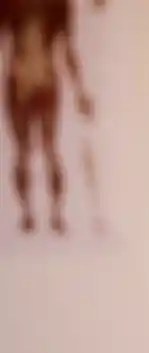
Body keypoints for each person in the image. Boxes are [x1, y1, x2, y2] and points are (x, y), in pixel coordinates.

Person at [2, 0, 94, 235]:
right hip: (27, 80)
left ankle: (46, 212)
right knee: (28, 150)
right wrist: (79, 90)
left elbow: (67, 47)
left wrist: (80, 90)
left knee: (44, 148)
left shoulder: (56, 5)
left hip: (34, 80)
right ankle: (34, 212)